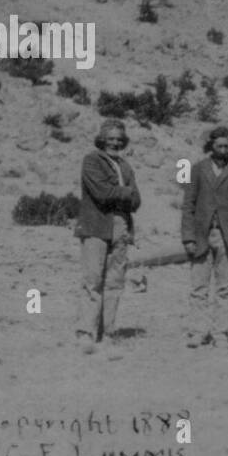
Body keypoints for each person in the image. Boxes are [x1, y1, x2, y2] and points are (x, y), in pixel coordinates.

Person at [181, 126, 228, 348]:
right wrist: (189, 237)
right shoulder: (197, 169)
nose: (223, 150)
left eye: (227, 146)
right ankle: (197, 331)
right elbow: (188, 205)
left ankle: (220, 332)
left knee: (225, 287)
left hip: (227, 237)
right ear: (211, 146)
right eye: (219, 145)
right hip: (202, 235)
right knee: (199, 287)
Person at [75, 119, 141, 353]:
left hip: (121, 227)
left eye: (119, 139)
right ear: (102, 139)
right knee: (93, 280)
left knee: (115, 281)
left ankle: (109, 331)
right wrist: (125, 192)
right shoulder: (92, 160)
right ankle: (86, 331)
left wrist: (124, 195)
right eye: (111, 138)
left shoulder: (125, 166)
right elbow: (102, 193)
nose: (115, 143)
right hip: (96, 226)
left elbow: (137, 201)